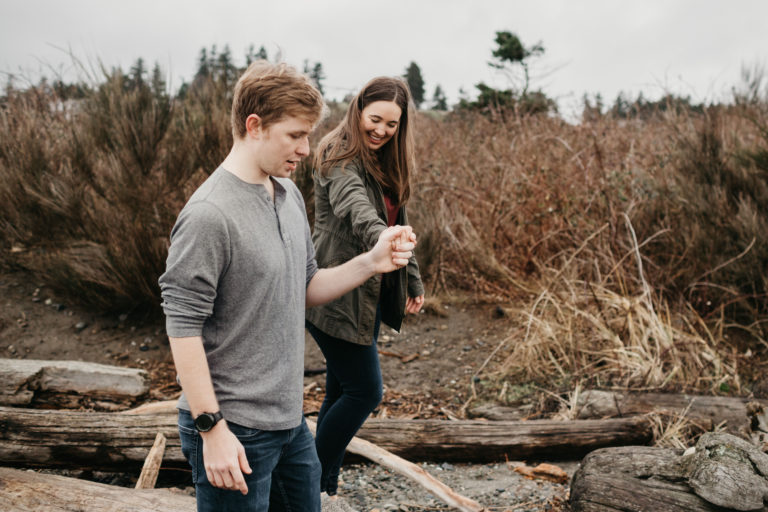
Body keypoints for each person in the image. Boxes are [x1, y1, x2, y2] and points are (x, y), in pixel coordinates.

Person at [158, 61, 416, 512]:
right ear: (254, 126)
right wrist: (211, 429)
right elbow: (182, 328)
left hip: (290, 424)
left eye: (308, 135)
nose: (307, 147)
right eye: (295, 135)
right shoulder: (208, 215)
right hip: (233, 430)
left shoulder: (286, 193)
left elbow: (308, 286)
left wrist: (373, 262)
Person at [305, 76, 425, 498]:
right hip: (335, 293)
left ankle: (324, 492)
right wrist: (381, 240)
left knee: (341, 389)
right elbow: (357, 207)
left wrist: (410, 276)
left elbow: (399, 221)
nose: (382, 131)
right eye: (376, 120)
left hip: (368, 296)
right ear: (358, 110)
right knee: (365, 391)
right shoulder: (336, 157)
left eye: (392, 125)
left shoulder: (385, 160)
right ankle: (300, 487)